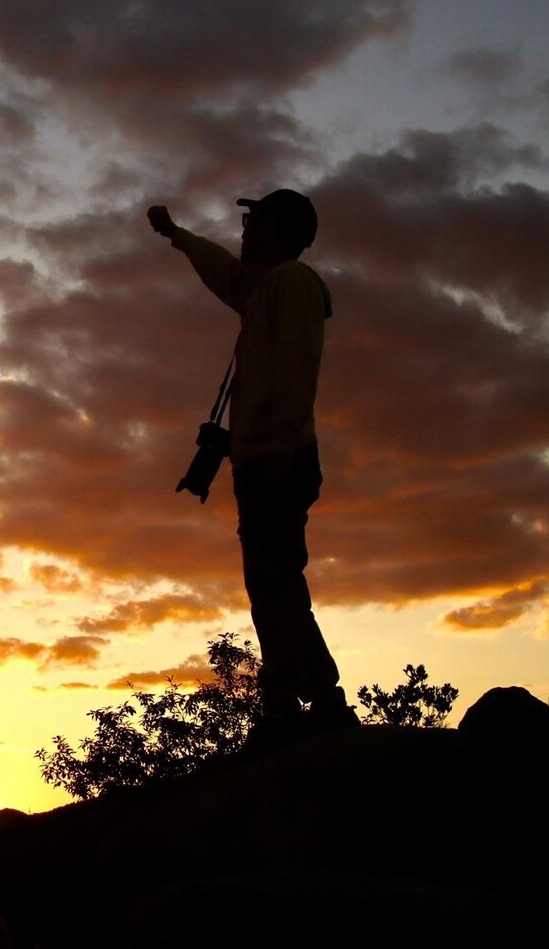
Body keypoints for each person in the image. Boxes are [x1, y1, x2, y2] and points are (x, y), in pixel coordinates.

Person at [148, 190, 356, 744]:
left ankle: (322, 701)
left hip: (277, 457)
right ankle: (286, 703)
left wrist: (282, 450)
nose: (244, 226)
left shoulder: (290, 284)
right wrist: (177, 234)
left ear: (278, 227)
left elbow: (294, 371)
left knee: (276, 580)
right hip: (263, 457)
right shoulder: (264, 286)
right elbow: (220, 269)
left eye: (254, 217)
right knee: (268, 583)